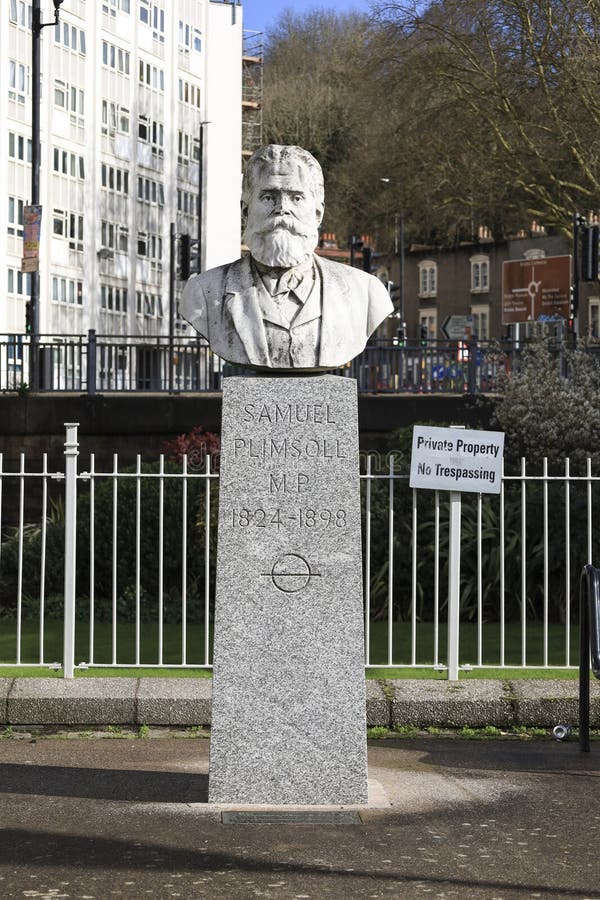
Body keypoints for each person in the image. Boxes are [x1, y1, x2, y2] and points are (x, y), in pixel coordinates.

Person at [180, 144, 393, 370]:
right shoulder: (203, 292)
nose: (282, 209)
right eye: (268, 197)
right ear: (245, 210)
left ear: (318, 213)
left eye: (296, 198)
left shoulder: (366, 292)